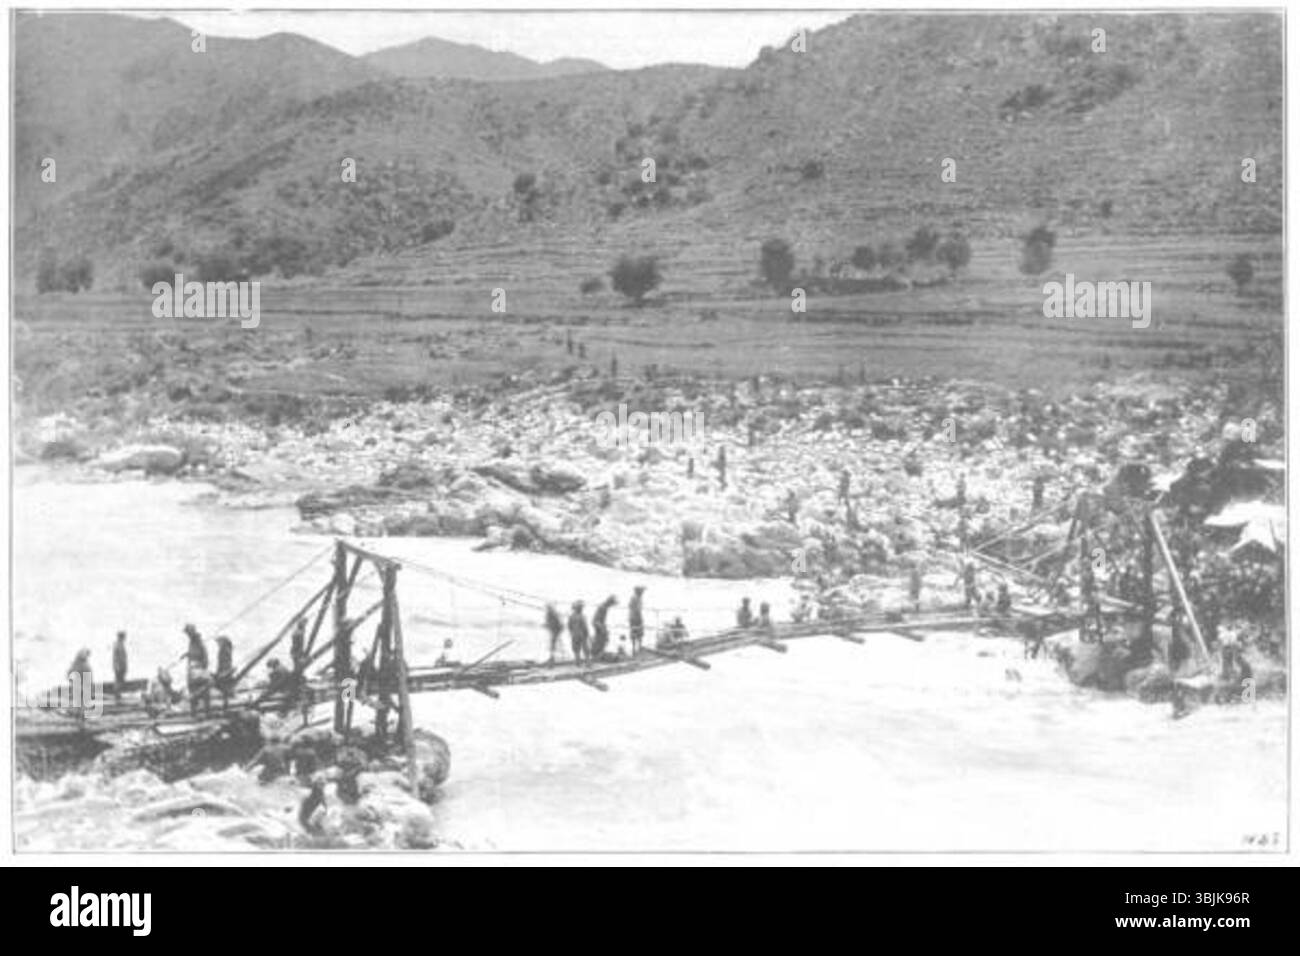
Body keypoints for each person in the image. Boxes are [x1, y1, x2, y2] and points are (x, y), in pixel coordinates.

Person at [67, 649, 93, 716]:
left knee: (79, 704)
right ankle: (79, 716)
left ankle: (78, 715)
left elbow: (69, 675)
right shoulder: (84, 665)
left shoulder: (76, 664)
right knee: (81, 705)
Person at [214, 636, 236, 709]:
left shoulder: (224, 650)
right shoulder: (225, 650)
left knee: (224, 688)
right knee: (224, 689)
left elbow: (225, 663)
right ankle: (226, 703)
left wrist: (222, 672)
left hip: (225, 672)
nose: (218, 644)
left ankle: (226, 704)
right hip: (224, 671)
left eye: (219, 642)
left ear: (223, 642)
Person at [628, 586, 646, 655]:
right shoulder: (635, 598)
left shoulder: (636, 598)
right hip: (635, 618)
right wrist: (640, 618)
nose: (642, 593)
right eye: (641, 591)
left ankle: (636, 648)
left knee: (636, 633)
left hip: (633, 617)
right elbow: (637, 609)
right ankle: (635, 649)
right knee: (637, 633)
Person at [111, 631, 128, 703]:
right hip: (119, 666)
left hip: (122, 665)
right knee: (118, 680)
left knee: (120, 680)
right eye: (123, 637)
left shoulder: (121, 644)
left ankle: (118, 694)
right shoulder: (117, 645)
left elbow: (123, 657)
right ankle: (117, 695)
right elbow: (115, 657)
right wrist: (116, 666)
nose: (125, 638)